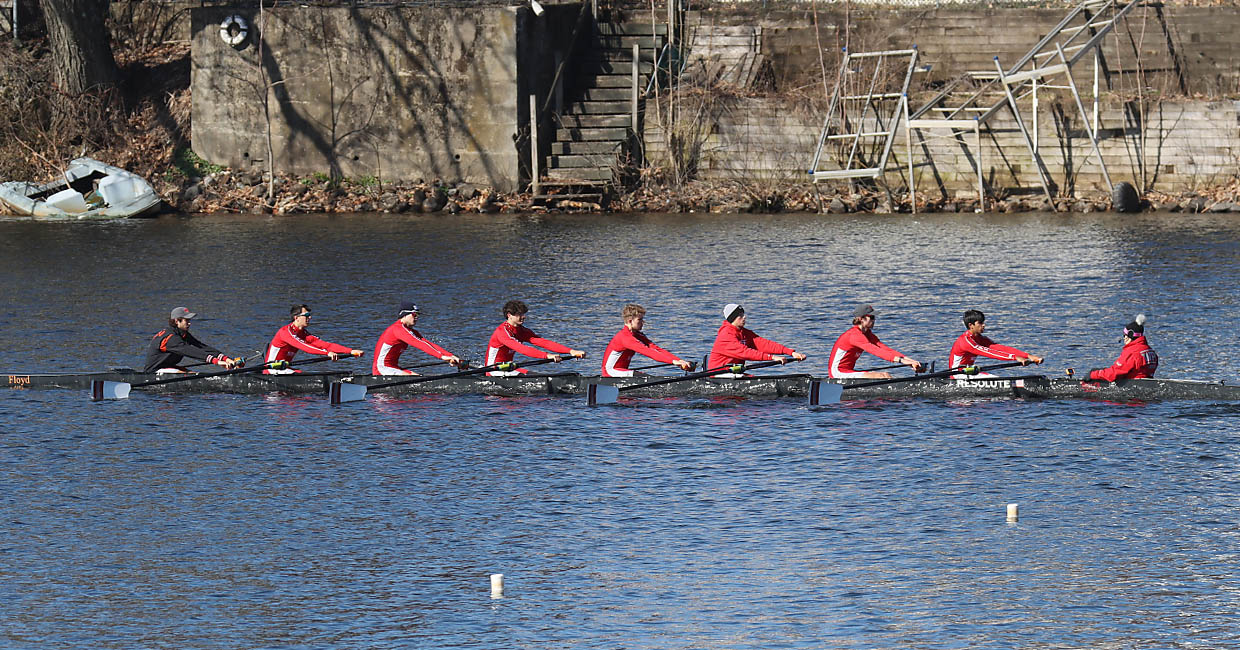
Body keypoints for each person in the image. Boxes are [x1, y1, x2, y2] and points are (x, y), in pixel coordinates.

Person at [486, 300, 585, 375]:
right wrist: (547, 356)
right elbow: (523, 349)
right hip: (494, 370)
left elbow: (543, 342)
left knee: (537, 376)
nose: (523, 316)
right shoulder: (502, 332)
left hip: (509, 367)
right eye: (519, 314)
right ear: (509, 315)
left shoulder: (522, 330)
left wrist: (571, 351)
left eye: (523, 314)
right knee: (537, 378)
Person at [828, 304, 922, 379]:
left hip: (848, 371)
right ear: (861, 319)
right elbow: (876, 351)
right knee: (882, 376)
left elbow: (885, 349)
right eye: (871, 317)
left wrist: (912, 361)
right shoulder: (854, 335)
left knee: (885, 375)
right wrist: (902, 361)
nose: (874, 320)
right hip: (838, 373)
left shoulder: (868, 334)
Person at [264, 304, 364, 373]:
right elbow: (305, 347)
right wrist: (326, 353)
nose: (310, 317)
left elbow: (325, 345)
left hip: (285, 369)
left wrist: (350, 351)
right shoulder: (285, 332)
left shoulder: (303, 333)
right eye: (306, 315)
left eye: (310, 315)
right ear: (296, 317)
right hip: (272, 370)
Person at [373, 302, 463, 375]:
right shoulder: (397, 329)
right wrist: (441, 357)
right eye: (414, 314)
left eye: (418, 315)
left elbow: (428, 343)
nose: (416, 317)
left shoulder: (410, 331)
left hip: (393, 368)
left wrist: (451, 355)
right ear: (404, 315)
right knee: (416, 379)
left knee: (418, 378)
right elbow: (419, 344)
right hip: (381, 369)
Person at [601, 304, 693, 377]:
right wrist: (673, 362)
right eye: (640, 320)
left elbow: (657, 349)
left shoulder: (637, 334)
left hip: (622, 372)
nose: (643, 322)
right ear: (630, 321)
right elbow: (649, 352)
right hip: (610, 373)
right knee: (646, 378)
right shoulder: (625, 337)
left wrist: (679, 361)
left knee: (646, 378)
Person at [144, 307, 244, 373]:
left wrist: (226, 359)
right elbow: (190, 351)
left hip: (168, 367)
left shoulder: (182, 334)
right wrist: (216, 361)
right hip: (154, 371)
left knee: (194, 374)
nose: (189, 323)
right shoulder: (170, 338)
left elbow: (201, 347)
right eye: (186, 320)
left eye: (189, 320)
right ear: (177, 321)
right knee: (191, 375)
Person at [708, 303, 805, 371]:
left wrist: (791, 352)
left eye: (743, 314)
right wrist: (772, 357)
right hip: (718, 374)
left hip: (733, 372)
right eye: (740, 316)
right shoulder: (726, 335)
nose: (744, 317)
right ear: (733, 319)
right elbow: (745, 352)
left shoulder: (744, 333)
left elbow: (764, 344)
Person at [949, 309, 1043, 376]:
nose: (984, 325)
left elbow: (999, 348)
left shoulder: (980, 338)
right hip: (958, 375)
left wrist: (1028, 356)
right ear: (971, 325)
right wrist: (1015, 358)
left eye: (983, 322)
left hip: (970, 372)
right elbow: (990, 353)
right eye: (980, 323)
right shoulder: (965, 341)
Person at [1086, 314, 1158, 381]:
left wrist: (1092, 375)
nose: (1124, 338)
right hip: (1144, 383)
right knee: (1097, 370)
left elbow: (1113, 374)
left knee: (1093, 372)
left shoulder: (1132, 352)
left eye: (1125, 335)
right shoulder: (1150, 351)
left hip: (1131, 386)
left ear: (1130, 335)